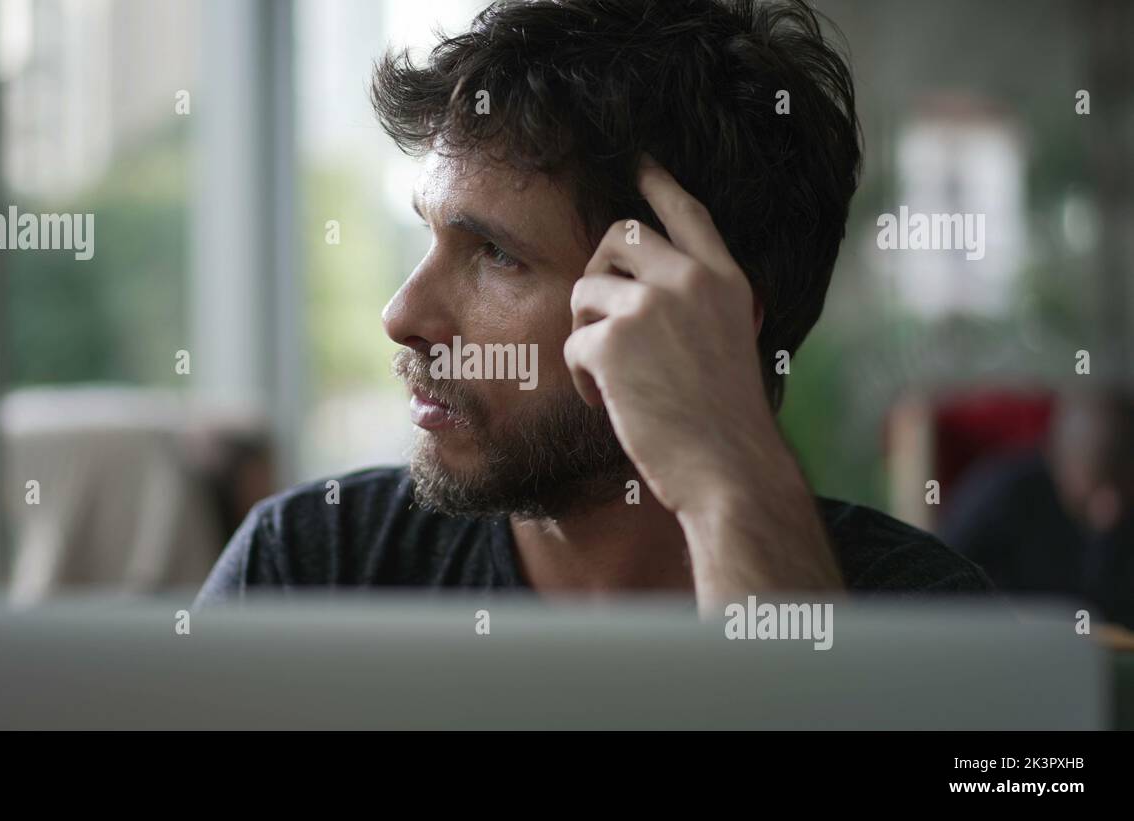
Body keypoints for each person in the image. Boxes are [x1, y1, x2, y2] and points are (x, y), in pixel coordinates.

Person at [197, 0, 990, 610]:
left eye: (498, 255)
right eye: (429, 239)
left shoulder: (919, 618)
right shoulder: (311, 570)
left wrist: (729, 486)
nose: (402, 315)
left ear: (692, 315)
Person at [942, 389, 1134, 628]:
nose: (1111, 512)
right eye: (1096, 484)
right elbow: (940, 593)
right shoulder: (997, 500)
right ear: (1059, 460)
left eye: (1125, 484)